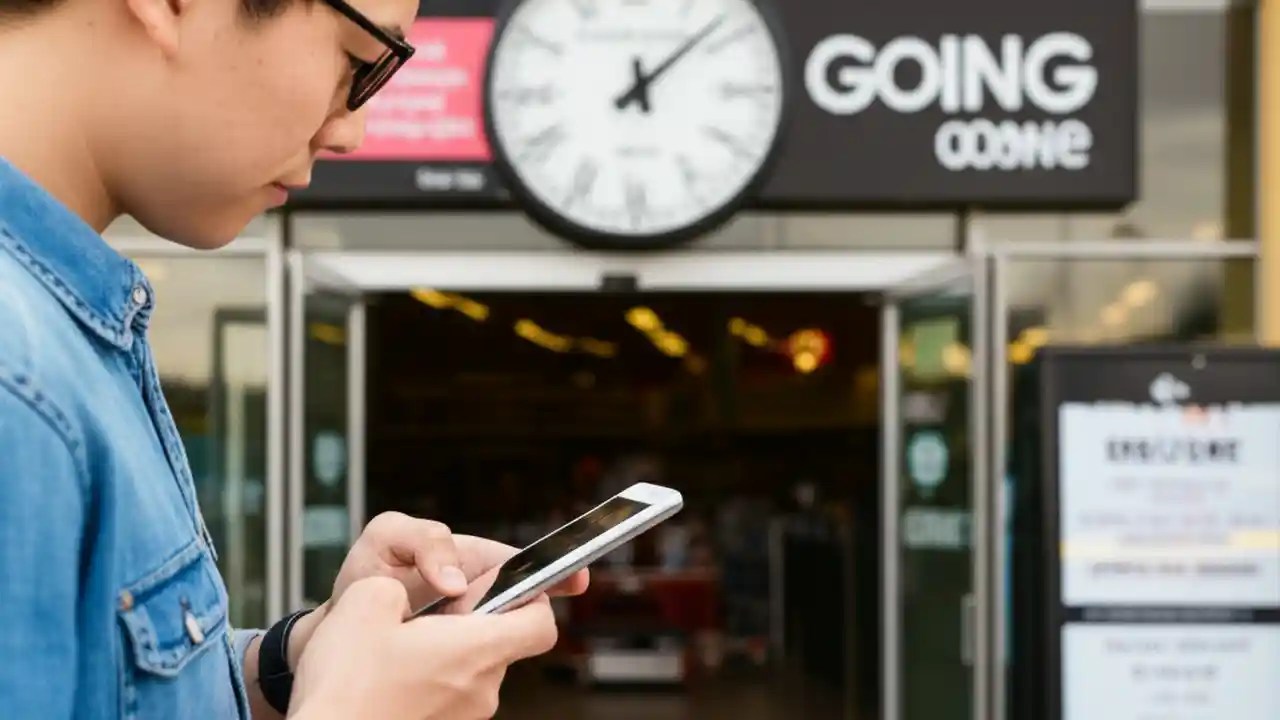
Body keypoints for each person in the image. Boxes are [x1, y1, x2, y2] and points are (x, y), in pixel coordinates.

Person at [0, 0, 588, 718]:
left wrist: (297, 661)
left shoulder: (61, 325)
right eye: (359, 62)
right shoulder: (18, 369)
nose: (353, 131)